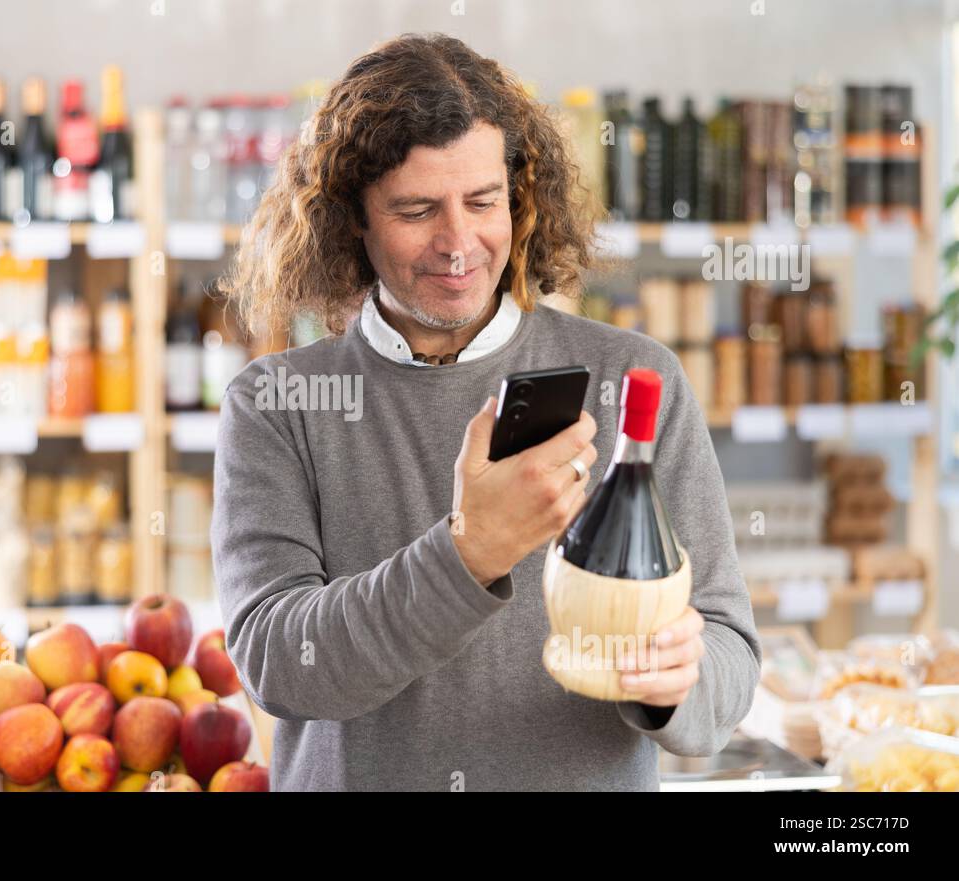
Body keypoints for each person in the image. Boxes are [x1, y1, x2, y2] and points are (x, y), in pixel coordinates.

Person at [211, 33, 760, 791]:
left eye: (482, 201)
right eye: (416, 210)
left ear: (520, 197)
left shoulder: (632, 380)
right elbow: (279, 663)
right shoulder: (277, 404)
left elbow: (727, 653)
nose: (459, 243)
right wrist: (468, 553)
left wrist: (674, 685)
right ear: (353, 221)